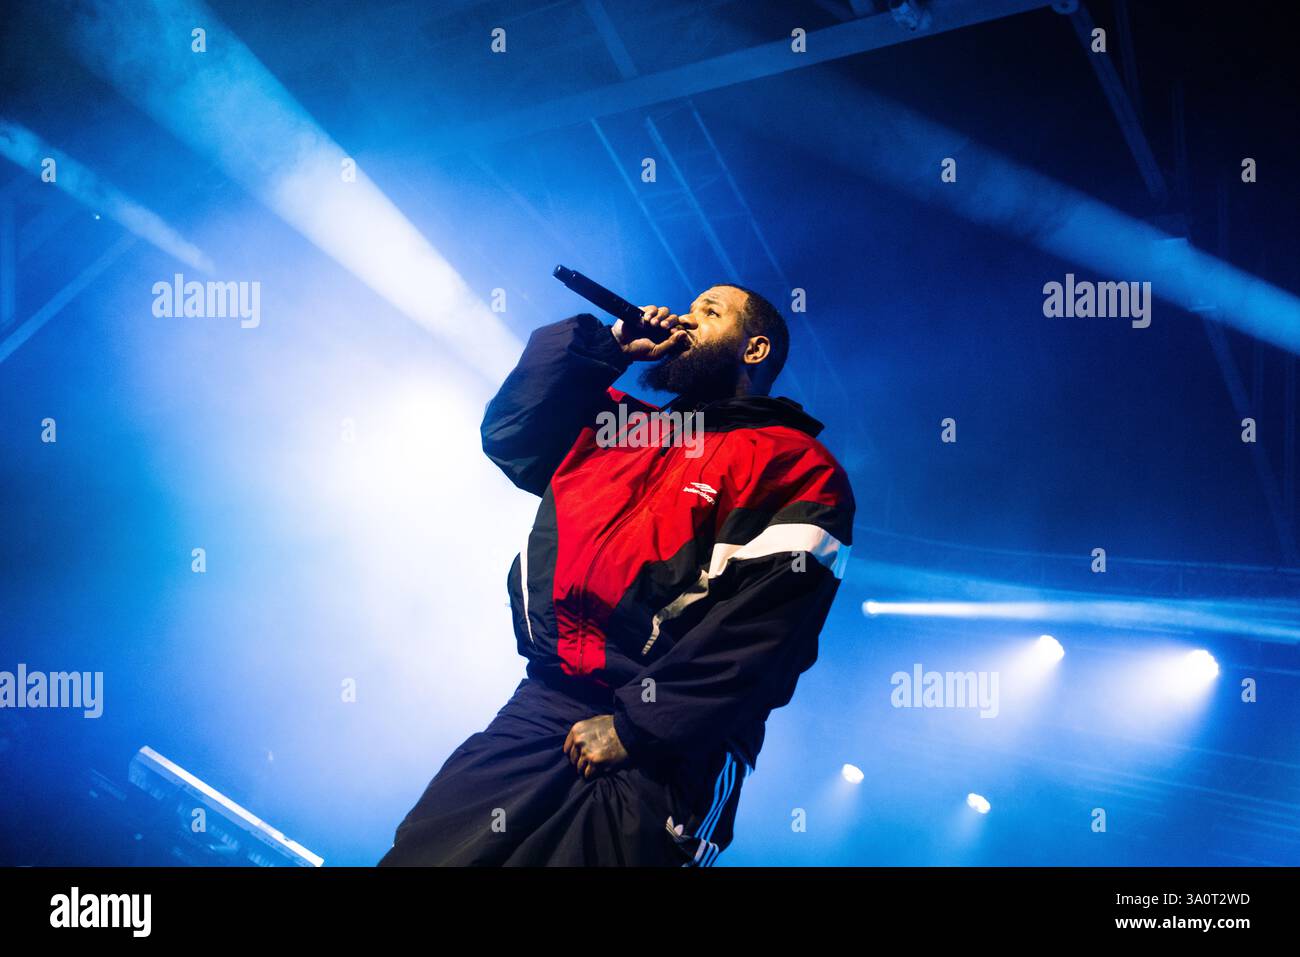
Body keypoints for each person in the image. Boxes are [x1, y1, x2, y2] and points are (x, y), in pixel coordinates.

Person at [378, 284, 855, 866]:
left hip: (668, 748)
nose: (684, 317)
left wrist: (638, 728)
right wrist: (610, 347)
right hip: (543, 706)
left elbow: (767, 631)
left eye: (710, 313)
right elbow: (511, 433)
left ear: (753, 350)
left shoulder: (798, 469)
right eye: (689, 306)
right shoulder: (625, 429)